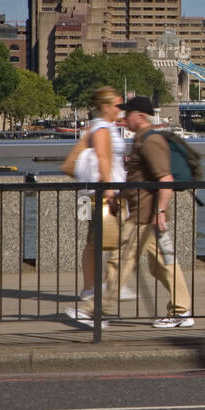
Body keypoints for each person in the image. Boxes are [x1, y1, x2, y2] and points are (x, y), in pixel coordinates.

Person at [107, 97, 196, 327]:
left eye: (128, 114)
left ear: (139, 116)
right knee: (163, 265)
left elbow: (165, 179)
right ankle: (181, 311)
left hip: (146, 217)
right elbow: (138, 179)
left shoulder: (150, 140)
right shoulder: (140, 140)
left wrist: (160, 211)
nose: (124, 118)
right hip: (144, 214)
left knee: (120, 260)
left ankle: (95, 310)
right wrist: (119, 198)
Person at [65, 86, 133, 327]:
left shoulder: (103, 127)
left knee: (97, 241)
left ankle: (95, 291)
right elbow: (104, 161)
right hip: (103, 194)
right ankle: (99, 294)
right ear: (106, 106)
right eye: (117, 105)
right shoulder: (102, 128)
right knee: (113, 240)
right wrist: (112, 192)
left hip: (97, 192)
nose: (121, 109)